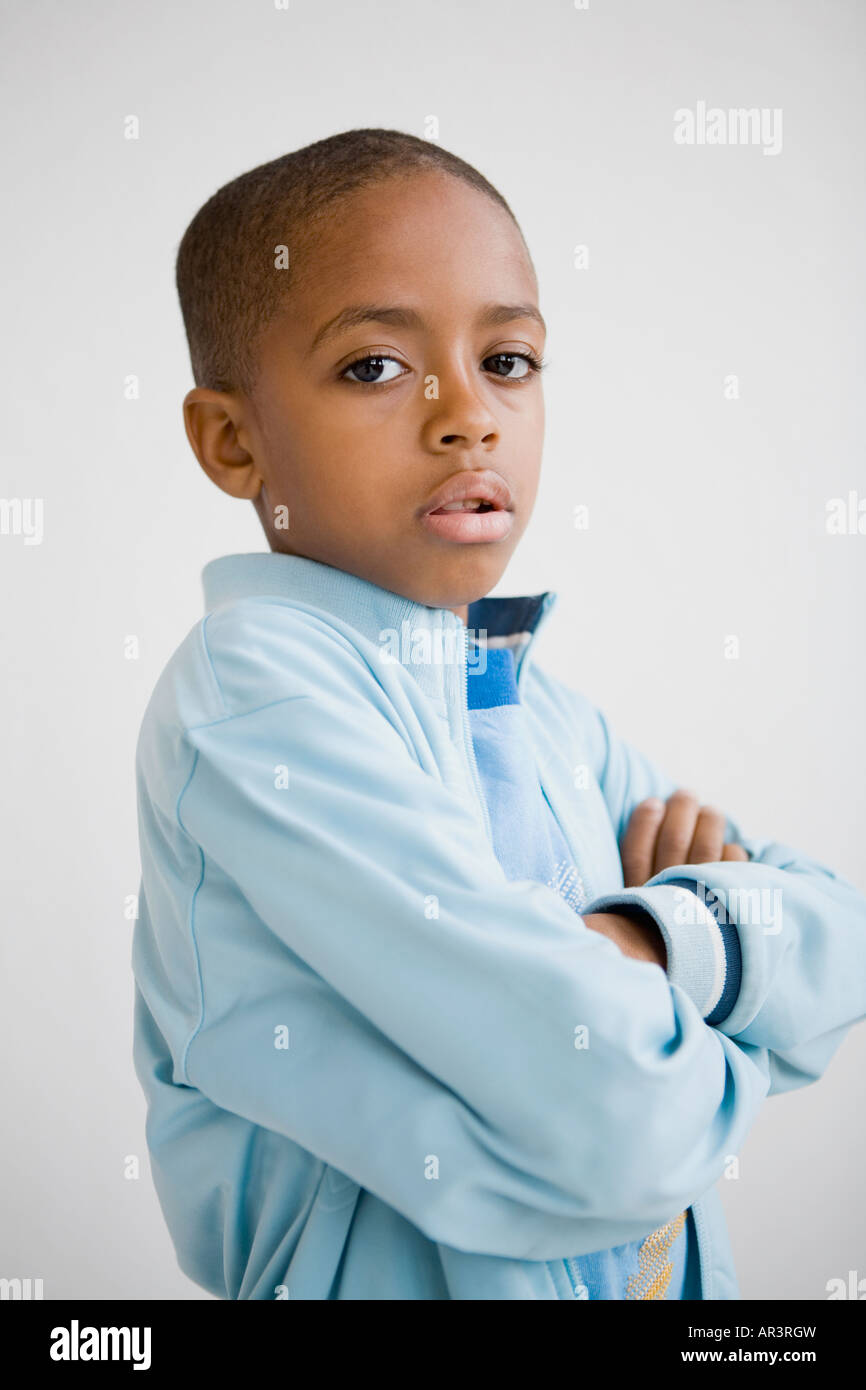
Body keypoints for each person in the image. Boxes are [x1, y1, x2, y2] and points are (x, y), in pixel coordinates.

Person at [131, 128, 866, 1300]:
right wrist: (724, 1000)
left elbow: (838, 933)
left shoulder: (544, 716)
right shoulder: (253, 692)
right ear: (233, 440)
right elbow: (626, 1123)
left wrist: (655, 936)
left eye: (509, 361)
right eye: (374, 366)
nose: (465, 415)